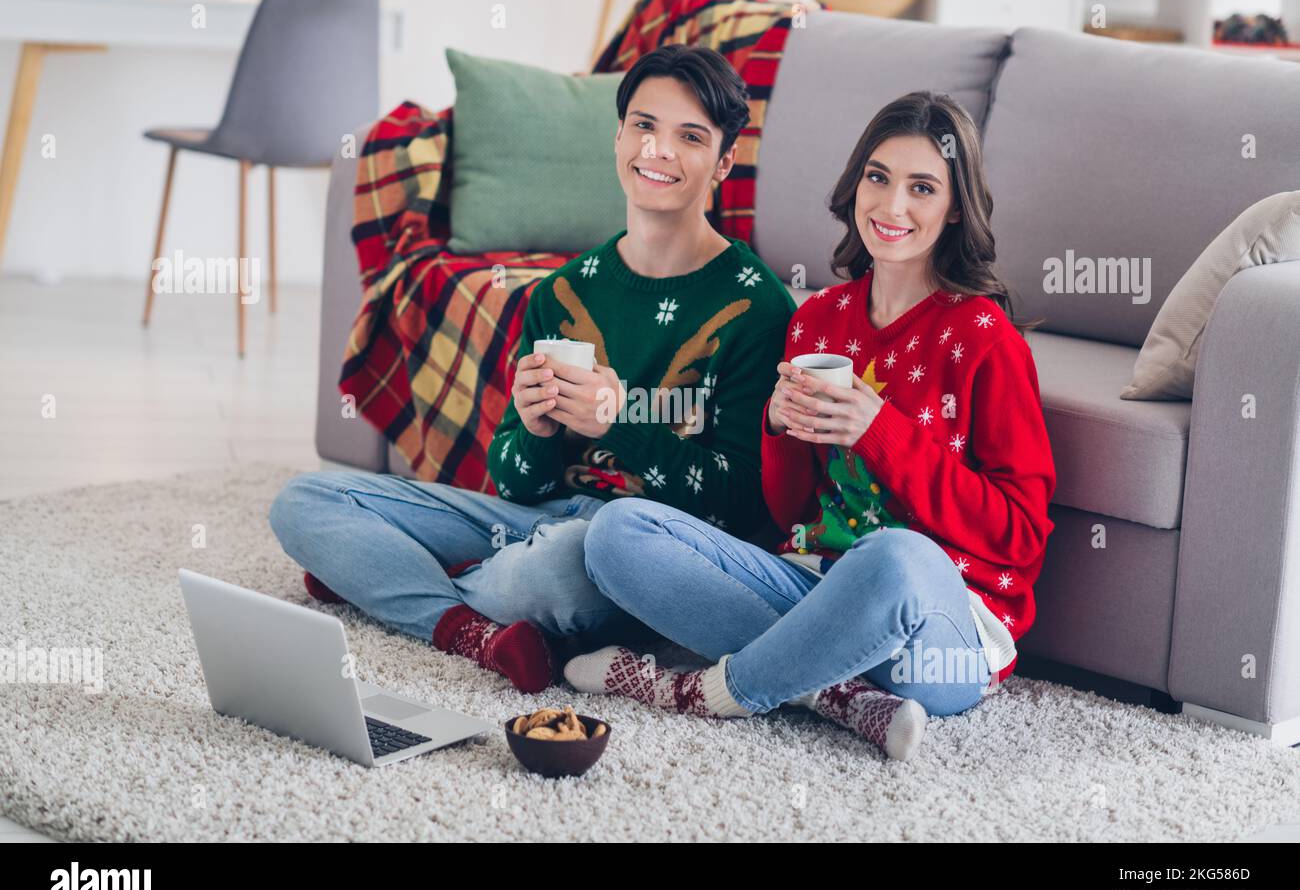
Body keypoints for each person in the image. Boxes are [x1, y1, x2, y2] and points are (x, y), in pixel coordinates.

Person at [268, 44, 794, 693]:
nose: (658, 151)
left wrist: (620, 421)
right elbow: (512, 484)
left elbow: (744, 510)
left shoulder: (756, 306)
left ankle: (390, 577)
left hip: (631, 547)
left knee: (546, 575)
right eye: (643, 126)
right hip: (534, 522)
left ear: (723, 161)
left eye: (690, 137)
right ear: (618, 137)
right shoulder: (563, 291)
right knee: (307, 501)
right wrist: (535, 432)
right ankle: (472, 628)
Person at [567, 91, 1056, 761]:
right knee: (617, 532)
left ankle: (697, 691)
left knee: (894, 555)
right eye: (878, 178)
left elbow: (1021, 535)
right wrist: (777, 427)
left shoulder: (984, 339)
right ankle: (842, 695)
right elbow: (792, 511)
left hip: (942, 634)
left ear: (955, 209)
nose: (892, 206)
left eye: (922, 188)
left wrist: (879, 429)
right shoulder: (817, 321)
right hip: (818, 586)